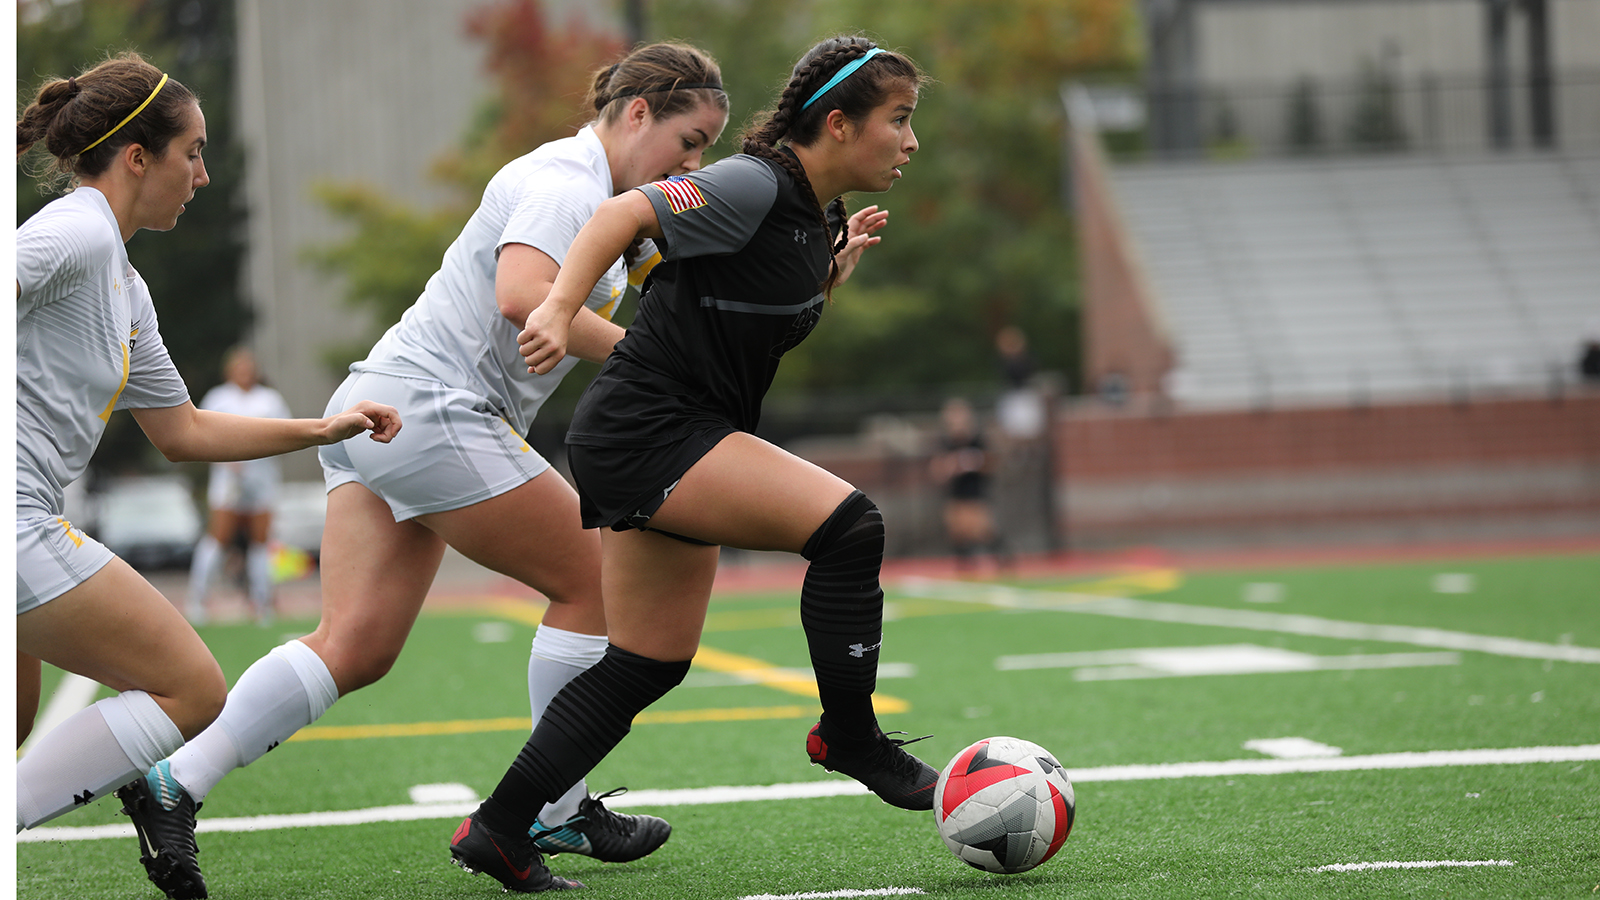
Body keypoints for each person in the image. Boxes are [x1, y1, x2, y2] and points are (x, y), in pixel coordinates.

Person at [113, 43, 729, 900]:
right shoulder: (568, 182)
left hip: (382, 407)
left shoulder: (609, 202)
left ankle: (174, 781)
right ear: (635, 116)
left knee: (354, 646)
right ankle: (556, 805)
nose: (693, 165)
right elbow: (525, 295)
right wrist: (649, 365)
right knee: (594, 583)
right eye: (689, 142)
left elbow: (673, 304)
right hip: (434, 411)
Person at [448, 35, 931, 892]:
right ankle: (850, 737)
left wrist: (830, 268)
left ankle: (500, 828)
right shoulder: (751, 181)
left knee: (647, 660)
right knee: (851, 527)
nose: (910, 141)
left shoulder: (811, 218)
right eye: (899, 120)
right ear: (838, 122)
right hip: (653, 429)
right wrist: (560, 309)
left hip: (655, 432)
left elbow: (737, 306)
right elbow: (615, 216)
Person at [15, 53, 401, 833]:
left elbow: (183, 431)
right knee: (191, 689)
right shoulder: (78, 229)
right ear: (135, 158)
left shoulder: (125, 284)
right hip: (14, 518)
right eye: (191, 153)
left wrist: (321, 428)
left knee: (11, 723)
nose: (203, 175)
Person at [185, 347, 292, 625]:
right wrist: (226, 456)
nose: (244, 373)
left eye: (248, 367)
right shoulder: (219, 398)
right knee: (218, 538)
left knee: (261, 542)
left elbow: (285, 434)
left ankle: (261, 603)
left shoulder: (270, 399)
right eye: (239, 367)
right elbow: (203, 432)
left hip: (262, 480)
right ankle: (198, 600)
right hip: (228, 480)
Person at [928, 397, 1007, 570]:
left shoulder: (978, 440)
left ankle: (1004, 564)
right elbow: (937, 471)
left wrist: (974, 462)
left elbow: (992, 463)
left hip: (976, 496)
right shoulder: (945, 443)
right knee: (958, 536)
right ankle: (966, 570)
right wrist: (953, 465)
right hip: (956, 497)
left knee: (984, 533)